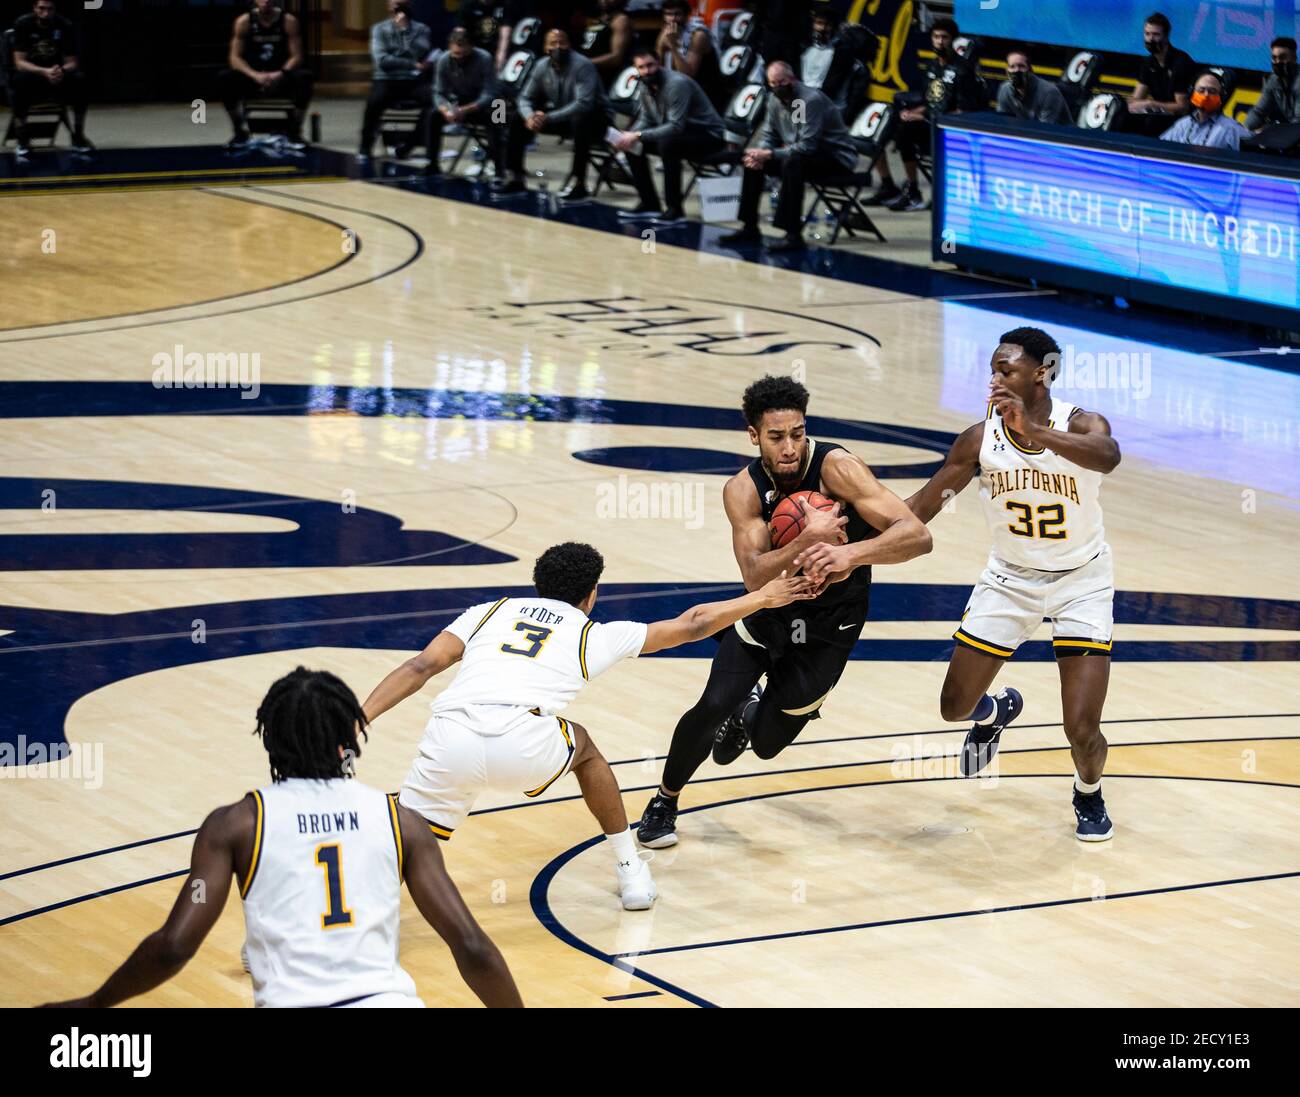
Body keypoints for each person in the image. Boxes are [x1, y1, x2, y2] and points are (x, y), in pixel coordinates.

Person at [363, 543, 814, 909]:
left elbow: (421, 666)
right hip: (523, 745)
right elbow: (693, 624)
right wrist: (763, 597)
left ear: (538, 585)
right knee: (585, 750)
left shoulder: (489, 611)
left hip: (451, 736)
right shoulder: (591, 634)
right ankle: (629, 869)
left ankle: (355, 907)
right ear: (592, 593)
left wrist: (360, 718)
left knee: (407, 840)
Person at [40, 668, 523, 1008]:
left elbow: (173, 947)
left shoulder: (235, 825)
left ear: (269, 740)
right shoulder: (401, 822)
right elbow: (472, 947)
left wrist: (94, 1005)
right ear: (348, 741)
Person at [636, 376, 932, 849]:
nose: (790, 446)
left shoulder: (839, 468)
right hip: (771, 608)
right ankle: (664, 802)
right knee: (712, 704)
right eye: (776, 437)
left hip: (834, 621)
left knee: (769, 743)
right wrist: (806, 539)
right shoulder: (743, 490)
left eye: (797, 433)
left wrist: (849, 555)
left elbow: (917, 536)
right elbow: (754, 577)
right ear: (754, 436)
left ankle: (749, 710)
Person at [899, 328, 1122, 842]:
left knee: (1081, 729)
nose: (995, 380)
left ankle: (1088, 793)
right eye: (993, 370)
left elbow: (1107, 455)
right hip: (1009, 579)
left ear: (1042, 372)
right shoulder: (981, 438)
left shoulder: (1082, 423)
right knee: (953, 707)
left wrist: (1036, 434)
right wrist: (852, 540)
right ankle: (997, 712)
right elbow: (922, 508)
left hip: (1080, 581)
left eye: (1007, 370)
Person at [717, 61, 859, 252]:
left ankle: (793, 235)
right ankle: (749, 227)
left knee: (792, 164)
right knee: (752, 163)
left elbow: (805, 145)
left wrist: (770, 153)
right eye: (772, 84)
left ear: (792, 79)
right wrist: (761, 154)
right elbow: (770, 135)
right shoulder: (774, 100)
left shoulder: (806, 100)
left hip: (835, 157)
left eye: (781, 82)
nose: (777, 87)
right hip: (804, 155)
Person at [866, 17, 985, 211]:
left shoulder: (963, 71)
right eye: (936, 36)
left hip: (950, 131)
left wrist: (922, 117)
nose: (939, 41)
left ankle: (919, 192)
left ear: (954, 41)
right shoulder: (932, 67)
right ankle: (898, 188)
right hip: (930, 124)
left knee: (907, 131)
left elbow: (963, 111)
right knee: (892, 123)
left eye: (944, 37)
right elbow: (930, 102)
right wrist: (912, 112)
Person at [610, 48, 729, 225]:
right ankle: (649, 203)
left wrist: (637, 134)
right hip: (680, 134)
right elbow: (646, 118)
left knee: (668, 144)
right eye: (641, 67)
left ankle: (675, 209)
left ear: (658, 63)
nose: (647, 71)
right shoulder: (644, 84)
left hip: (709, 135)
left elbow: (675, 126)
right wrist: (628, 136)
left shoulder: (676, 83)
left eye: (650, 65)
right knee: (632, 145)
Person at [511, 28, 613, 201]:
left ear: (570, 45)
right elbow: (524, 97)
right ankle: (514, 176)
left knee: (581, 119)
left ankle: (578, 183)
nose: (558, 47)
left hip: (598, 119)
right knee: (515, 118)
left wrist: (547, 118)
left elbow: (584, 103)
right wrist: (530, 117)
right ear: (545, 48)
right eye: (553, 43)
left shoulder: (582, 65)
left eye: (562, 42)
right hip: (564, 116)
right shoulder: (541, 66)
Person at [218, 0, 313, 150]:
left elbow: (297, 56)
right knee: (224, 77)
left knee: (304, 77)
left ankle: (294, 132)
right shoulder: (244, 22)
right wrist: (254, 75)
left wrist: (279, 74)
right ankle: (239, 132)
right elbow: (234, 57)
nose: (265, 1)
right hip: (253, 77)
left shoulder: (288, 21)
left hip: (280, 77)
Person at [9, 0, 91, 156]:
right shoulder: (23, 24)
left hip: (57, 75)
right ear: (34, 8)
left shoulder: (65, 25)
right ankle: (22, 138)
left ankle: (78, 136)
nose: (45, 12)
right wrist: (43, 71)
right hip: (33, 74)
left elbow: (72, 63)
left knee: (80, 80)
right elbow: (19, 62)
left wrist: (60, 70)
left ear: (55, 10)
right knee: (19, 81)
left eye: (49, 9)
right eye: (41, 8)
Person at [358, 0, 435, 163]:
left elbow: (419, 52)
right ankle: (365, 146)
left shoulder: (422, 29)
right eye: (395, 3)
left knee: (435, 101)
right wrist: (411, 63)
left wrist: (404, 31)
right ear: (388, 6)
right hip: (386, 79)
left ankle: (408, 146)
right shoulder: (379, 29)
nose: (399, 7)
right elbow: (382, 60)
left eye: (403, 3)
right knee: (374, 102)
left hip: (412, 80)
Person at [431, 27, 511, 183]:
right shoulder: (443, 60)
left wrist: (465, 110)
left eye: (463, 54)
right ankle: (432, 164)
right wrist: (445, 110)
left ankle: (500, 169)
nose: (459, 58)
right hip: (464, 100)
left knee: (496, 119)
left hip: (495, 100)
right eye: (456, 54)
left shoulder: (485, 58)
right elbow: (438, 92)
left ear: (471, 48)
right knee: (432, 115)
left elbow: (490, 93)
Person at [1128, 11, 1194, 133]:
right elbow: (1136, 99)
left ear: (1166, 36)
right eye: (1147, 34)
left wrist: (1152, 104)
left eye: (1156, 34)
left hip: (1182, 123)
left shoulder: (1181, 63)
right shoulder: (1148, 62)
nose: (1150, 39)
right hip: (1159, 117)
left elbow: (1182, 108)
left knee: (1151, 123)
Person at [657, 0, 727, 112]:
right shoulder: (667, 32)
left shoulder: (698, 35)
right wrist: (661, 47)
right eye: (668, 14)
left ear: (686, 16)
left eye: (677, 14)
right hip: (681, 92)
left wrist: (673, 47)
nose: (672, 19)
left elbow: (687, 75)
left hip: (705, 94)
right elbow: (656, 66)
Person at [1159, 70, 1250, 150]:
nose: (1206, 95)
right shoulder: (1182, 125)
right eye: (1201, 90)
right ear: (1192, 94)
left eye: (1212, 91)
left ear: (1221, 97)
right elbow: (1161, 148)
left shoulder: (1231, 128)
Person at [797, 4, 859, 115]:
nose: (822, 28)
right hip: (802, 101)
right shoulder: (805, 45)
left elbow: (832, 87)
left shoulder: (842, 52)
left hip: (828, 106)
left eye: (827, 25)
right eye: (819, 23)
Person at [997, 48, 1071, 125]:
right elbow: (1002, 121)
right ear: (1007, 71)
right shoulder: (1005, 89)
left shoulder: (1049, 92)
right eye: (1012, 67)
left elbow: (1046, 129)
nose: (1016, 70)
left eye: (1021, 66)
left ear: (1030, 70)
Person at [1246, 36, 1300, 130]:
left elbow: (1298, 122)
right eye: (1274, 58)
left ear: (1294, 59)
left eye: (1283, 57)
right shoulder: (1273, 80)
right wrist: (1243, 130)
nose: (1278, 62)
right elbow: (1259, 112)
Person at [582, 0, 634, 79]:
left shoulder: (621, 20)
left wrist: (583, 63)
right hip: (588, 72)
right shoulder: (599, 19)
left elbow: (617, 58)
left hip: (606, 76)